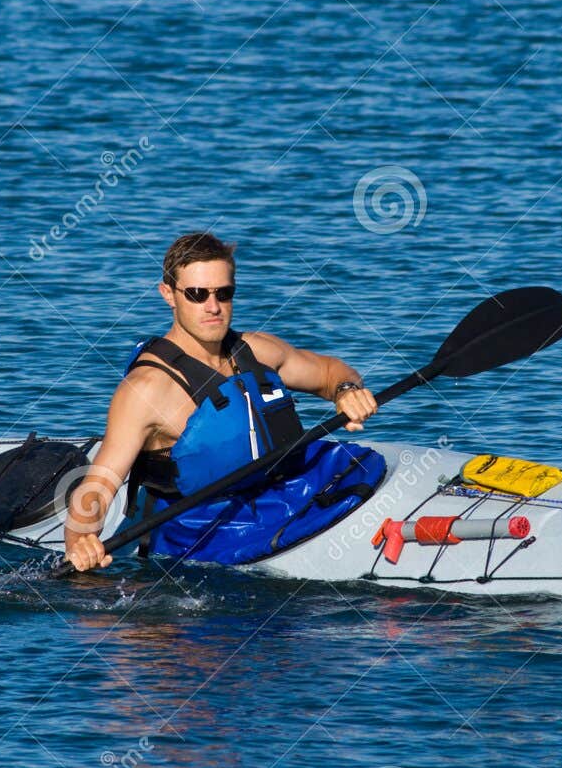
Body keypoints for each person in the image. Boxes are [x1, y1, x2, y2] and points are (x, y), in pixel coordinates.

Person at [64, 232, 385, 571]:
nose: (213, 306)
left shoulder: (258, 350)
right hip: (202, 530)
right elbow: (97, 488)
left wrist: (347, 390)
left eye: (224, 293)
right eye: (197, 294)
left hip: (282, 492)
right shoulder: (145, 390)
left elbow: (329, 370)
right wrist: (79, 542)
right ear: (169, 295)